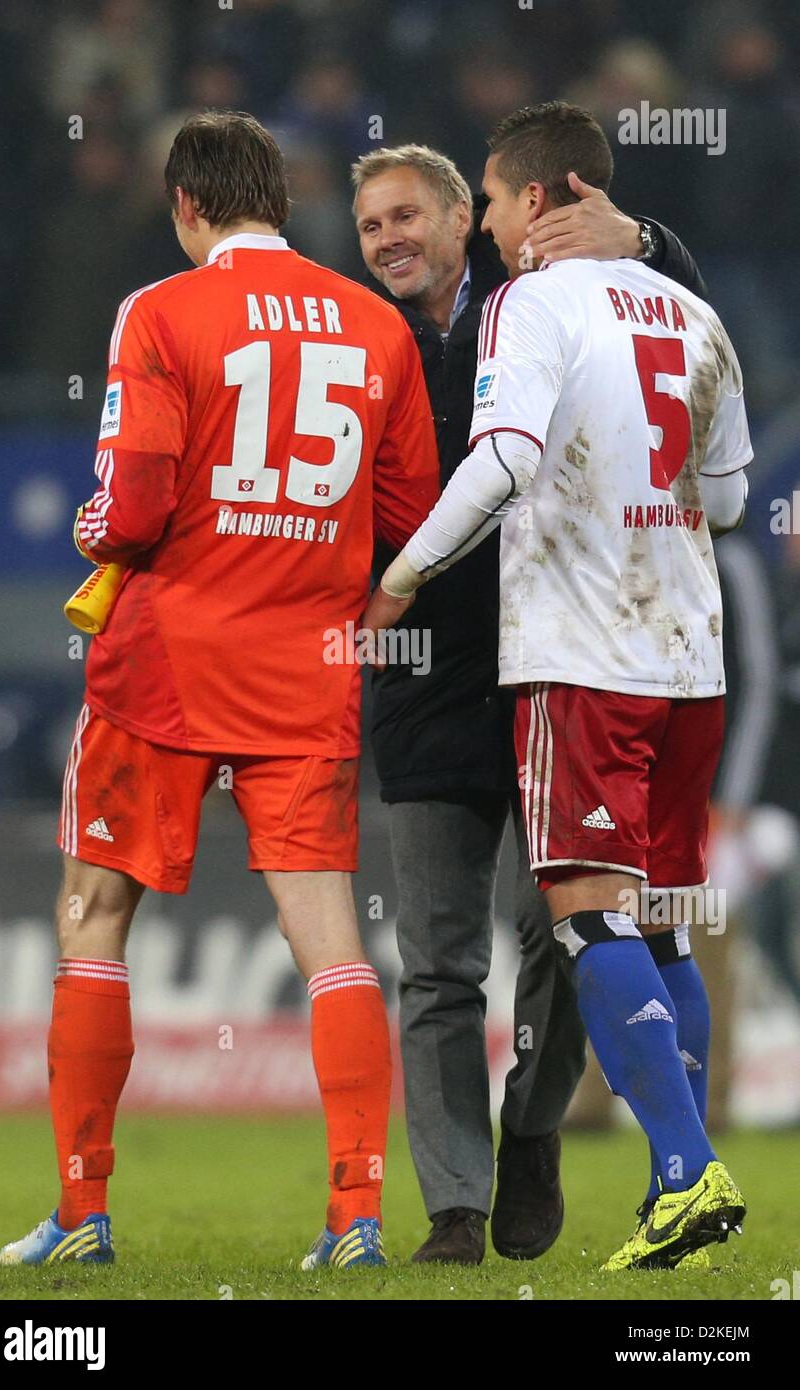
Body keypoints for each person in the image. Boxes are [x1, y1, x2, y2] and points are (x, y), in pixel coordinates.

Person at [0, 110, 439, 1272]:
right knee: (335, 943)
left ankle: (83, 1213)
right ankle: (355, 1218)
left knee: (95, 919)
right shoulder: (374, 325)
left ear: (185, 205)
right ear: (281, 203)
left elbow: (130, 510)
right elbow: (413, 520)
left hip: (164, 670)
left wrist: (98, 533)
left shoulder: (160, 309)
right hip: (308, 673)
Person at [364, 101, 751, 1270]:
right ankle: (662, 1181)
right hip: (688, 652)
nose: (482, 222)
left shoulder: (526, 303)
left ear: (541, 199)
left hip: (578, 657)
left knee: (582, 924)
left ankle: (685, 1171)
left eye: (480, 199)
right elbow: (728, 498)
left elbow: (509, 457)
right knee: (657, 926)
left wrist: (404, 574)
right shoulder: (696, 310)